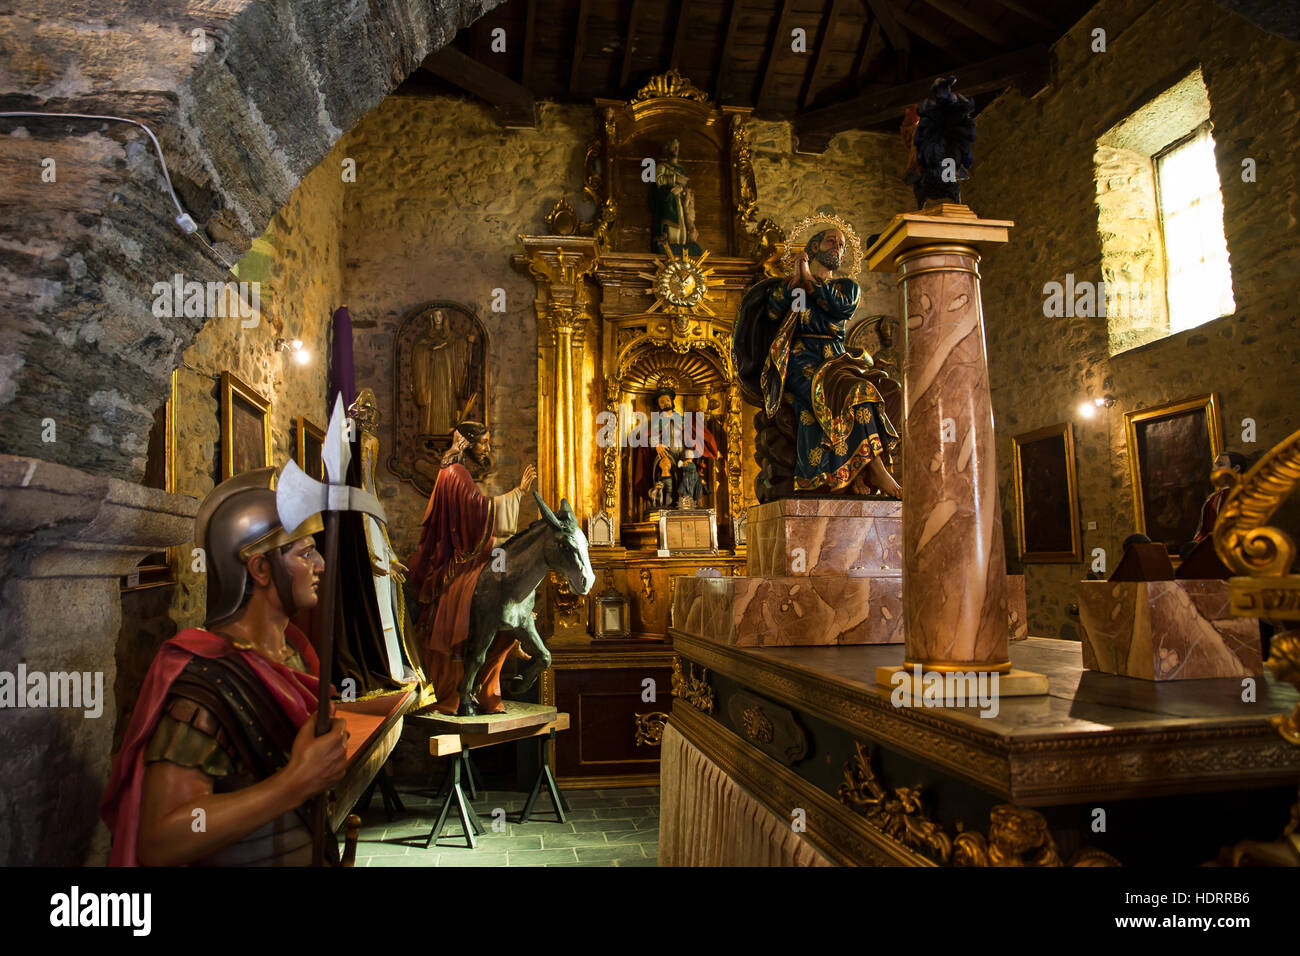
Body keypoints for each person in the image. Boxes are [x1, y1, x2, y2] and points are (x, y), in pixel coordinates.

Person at [101, 468, 349, 866]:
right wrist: (294, 784)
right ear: (261, 569)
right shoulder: (205, 688)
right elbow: (162, 838)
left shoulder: (295, 655)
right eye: (305, 553)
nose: (320, 565)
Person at [758, 228, 902, 496]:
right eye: (831, 241)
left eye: (842, 244)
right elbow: (776, 311)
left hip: (837, 359)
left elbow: (837, 307)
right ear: (814, 248)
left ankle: (860, 471)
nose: (837, 247)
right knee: (852, 391)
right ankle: (874, 472)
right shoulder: (795, 288)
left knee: (881, 390)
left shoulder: (846, 287)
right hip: (802, 362)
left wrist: (807, 278)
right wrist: (795, 283)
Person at [407, 421, 536, 714]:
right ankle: (466, 688)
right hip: (460, 564)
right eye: (483, 442)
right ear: (466, 443)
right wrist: (517, 493)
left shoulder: (453, 470)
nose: (487, 448)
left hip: (469, 557)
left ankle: (490, 678)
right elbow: (477, 513)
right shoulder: (455, 472)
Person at [1193, 451, 1248, 543]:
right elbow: (1204, 531)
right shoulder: (1213, 498)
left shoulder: (1243, 495)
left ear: (1236, 468)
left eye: (1220, 465)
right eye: (1215, 465)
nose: (1214, 469)